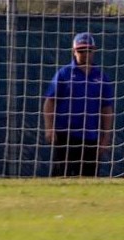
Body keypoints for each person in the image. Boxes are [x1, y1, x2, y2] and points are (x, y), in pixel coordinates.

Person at [42, 31, 115, 177]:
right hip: (65, 136)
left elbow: (107, 109)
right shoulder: (64, 74)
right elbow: (49, 102)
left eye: (88, 50)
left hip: (91, 137)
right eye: (81, 50)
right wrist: (49, 128)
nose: (85, 54)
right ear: (74, 51)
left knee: (89, 178)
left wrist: (106, 137)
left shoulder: (101, 77)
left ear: (93, 51)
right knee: (61, 177)